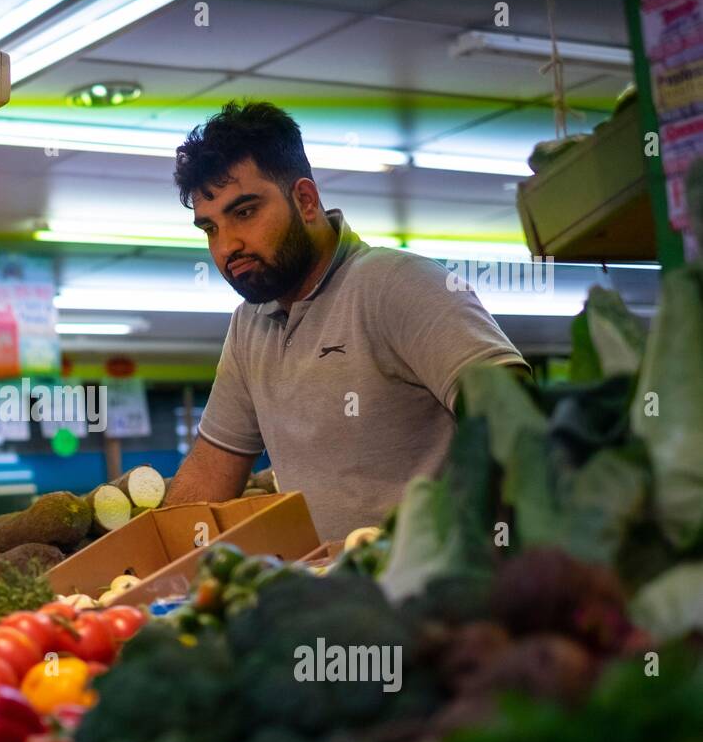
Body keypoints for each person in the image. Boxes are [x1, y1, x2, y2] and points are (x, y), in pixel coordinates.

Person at [165, 101, 528, 543]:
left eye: (244, 213)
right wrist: (156, 566)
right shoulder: (249, 326)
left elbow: (514, 420)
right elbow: (210, 468)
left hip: (442, 594)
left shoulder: (396, 284)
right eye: (210, 229)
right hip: (339, 597)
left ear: (305, 200)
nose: (228, 246)